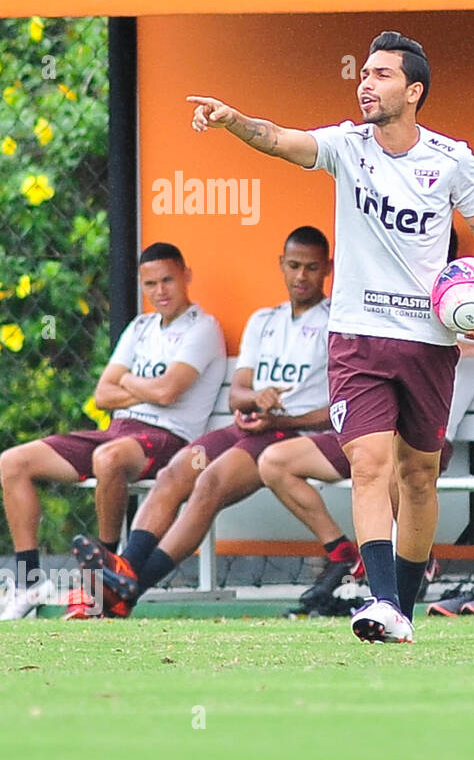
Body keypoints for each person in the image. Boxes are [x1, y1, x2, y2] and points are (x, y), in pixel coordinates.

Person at [189, 30, 474, 644]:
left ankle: (405, 606)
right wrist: (234, 120)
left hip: (428, 341)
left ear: (413, 90)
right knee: (369, 465)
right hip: (357, 339)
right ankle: (384, 601)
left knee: (418, 476)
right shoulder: (347, 146)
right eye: (363, 74)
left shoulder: (452, 158)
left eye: (381, 75)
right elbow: (281, 140)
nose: (365, 84)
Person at [69, 228, 346, 615]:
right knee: (177, 471)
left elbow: (342, 406)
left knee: (209, 484)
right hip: (247, 429)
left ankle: (127, 589)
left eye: (312, 268)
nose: (301, 276)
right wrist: (255, 402)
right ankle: (125, 569)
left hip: (291, 436)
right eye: (294, 266)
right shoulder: (264, 320)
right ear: (280, 265)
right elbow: (239, 393)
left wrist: (283, 415)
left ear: (328, 269)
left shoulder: (338, 323)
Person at [0, 243, 224, 620]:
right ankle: (28, 580)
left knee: (108, 457)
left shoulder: (204, 327)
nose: (160, 291)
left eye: (168, 279)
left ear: (186, 275)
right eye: (150, 283)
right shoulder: (140, 327)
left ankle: (102, 572)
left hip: (168, 438)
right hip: (118, 431)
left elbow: (169, 392)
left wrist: (130, 384)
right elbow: (103, 394)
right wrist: (145, 387)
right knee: (12, 462)